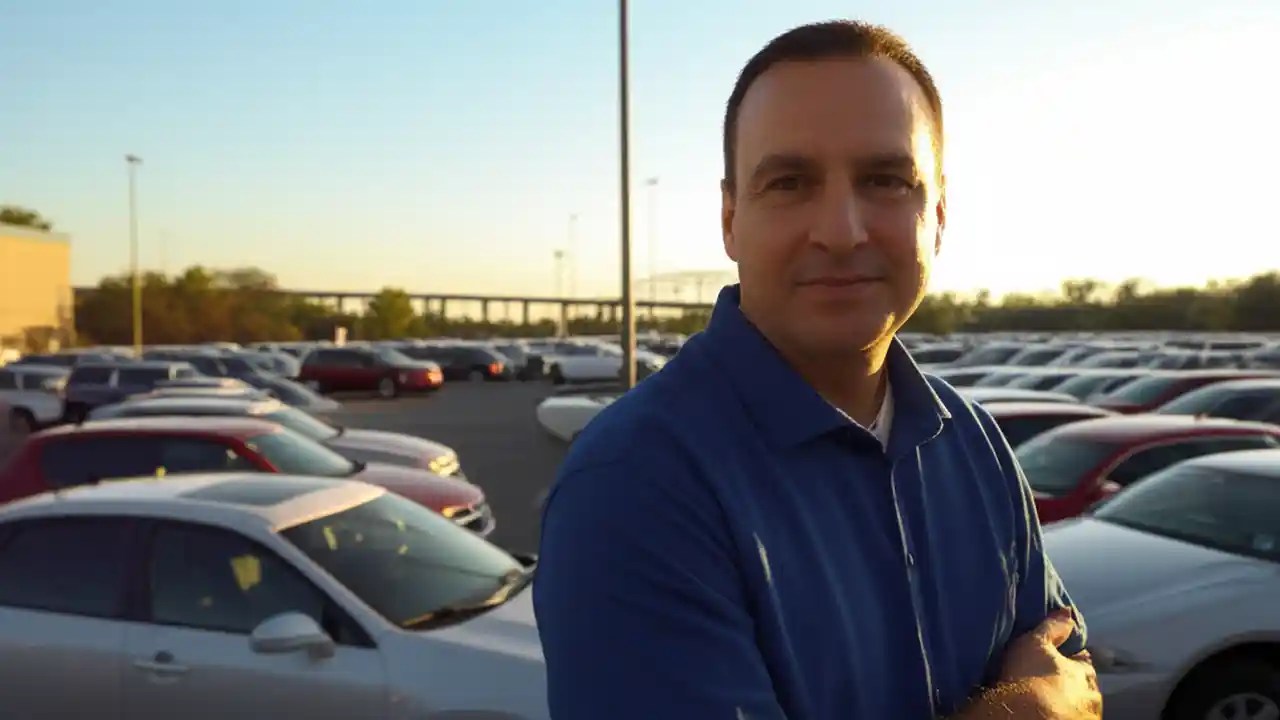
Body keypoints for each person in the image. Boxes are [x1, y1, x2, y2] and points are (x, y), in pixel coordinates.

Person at [534, 20, 1101, 720]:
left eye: (886, 180)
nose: (841, 230)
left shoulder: (972, 444)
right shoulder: (634, 485)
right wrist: (1025, 713)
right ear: (730, 219)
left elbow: (1065, 660)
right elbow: (1056, 699)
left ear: (940, 214)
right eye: (791, 182)